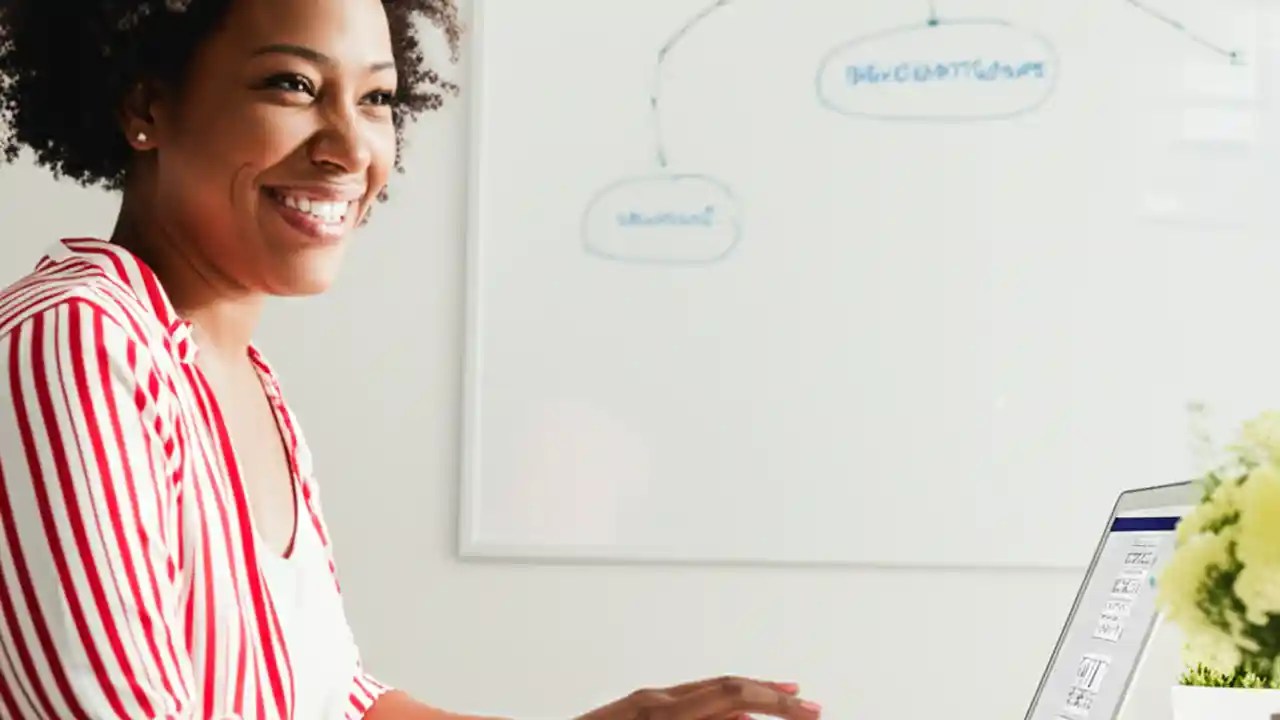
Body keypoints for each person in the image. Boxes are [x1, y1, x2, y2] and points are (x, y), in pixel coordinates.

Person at [0, 1, 825, 719]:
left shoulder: (253, 387)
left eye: (377, 98)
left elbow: (330, 700)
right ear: (147, 104)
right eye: (292, 85)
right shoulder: (75, 342)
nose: (350, 147)